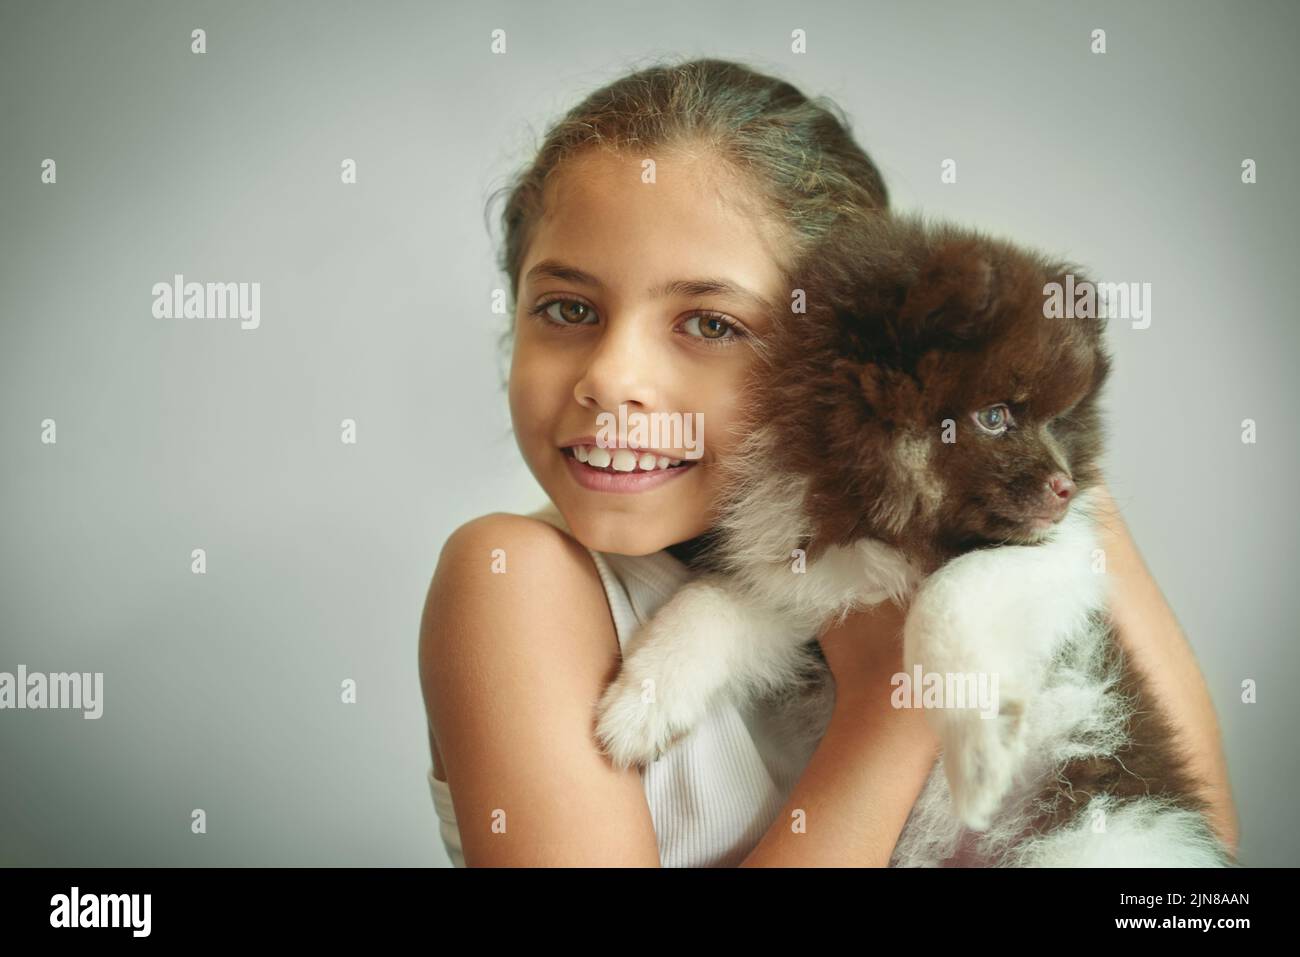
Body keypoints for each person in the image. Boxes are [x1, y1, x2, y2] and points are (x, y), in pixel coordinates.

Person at [417, 56, 1239, 867]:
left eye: (711, 324)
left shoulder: (984, 502)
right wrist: (893, 701)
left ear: (842, 357)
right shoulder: (514, 579)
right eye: (568, 308)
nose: (610, 379)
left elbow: (1195, 860)